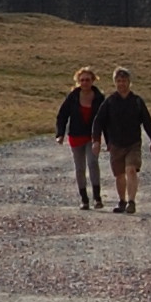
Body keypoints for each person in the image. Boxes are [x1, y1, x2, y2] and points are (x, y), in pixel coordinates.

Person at [95, 65, 151, 214]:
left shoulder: (137, 101)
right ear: (115, 82)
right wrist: (96, 141)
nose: (121, 83)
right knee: (119, 175)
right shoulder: (110, 102)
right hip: (115, 144)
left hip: (133, 144)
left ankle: (131, 201)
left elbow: (147, 121)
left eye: (124, 80)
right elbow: (98, 121)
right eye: (118, 80)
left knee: (131, 170)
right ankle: (122, 201)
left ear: (129, 82)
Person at [53, 66, 107, 209]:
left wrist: (108, 138)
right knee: (79, 168)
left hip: (92, 136)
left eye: (87, 80)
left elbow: (106, 119)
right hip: (76, 136)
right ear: (78, 81)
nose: (85, 83)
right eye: (82, 80)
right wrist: (60, 134)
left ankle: (97, 197)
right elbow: (62, 116)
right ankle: (84, 199)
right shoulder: (72, 97)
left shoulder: (99, 98)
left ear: (93, 81)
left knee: (93, 163)